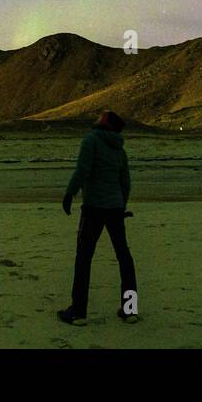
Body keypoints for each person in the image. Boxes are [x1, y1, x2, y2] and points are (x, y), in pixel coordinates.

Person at [58, 109, 138, 325]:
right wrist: (122, 205)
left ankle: (78, 311)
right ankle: (130, 308)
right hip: (115, 208)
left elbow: (82, 170)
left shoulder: (91, 141)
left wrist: (69, 193)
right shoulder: (119, 150)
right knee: (124, 257)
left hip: (93, 207)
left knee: (84, 258)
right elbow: (125, 183)